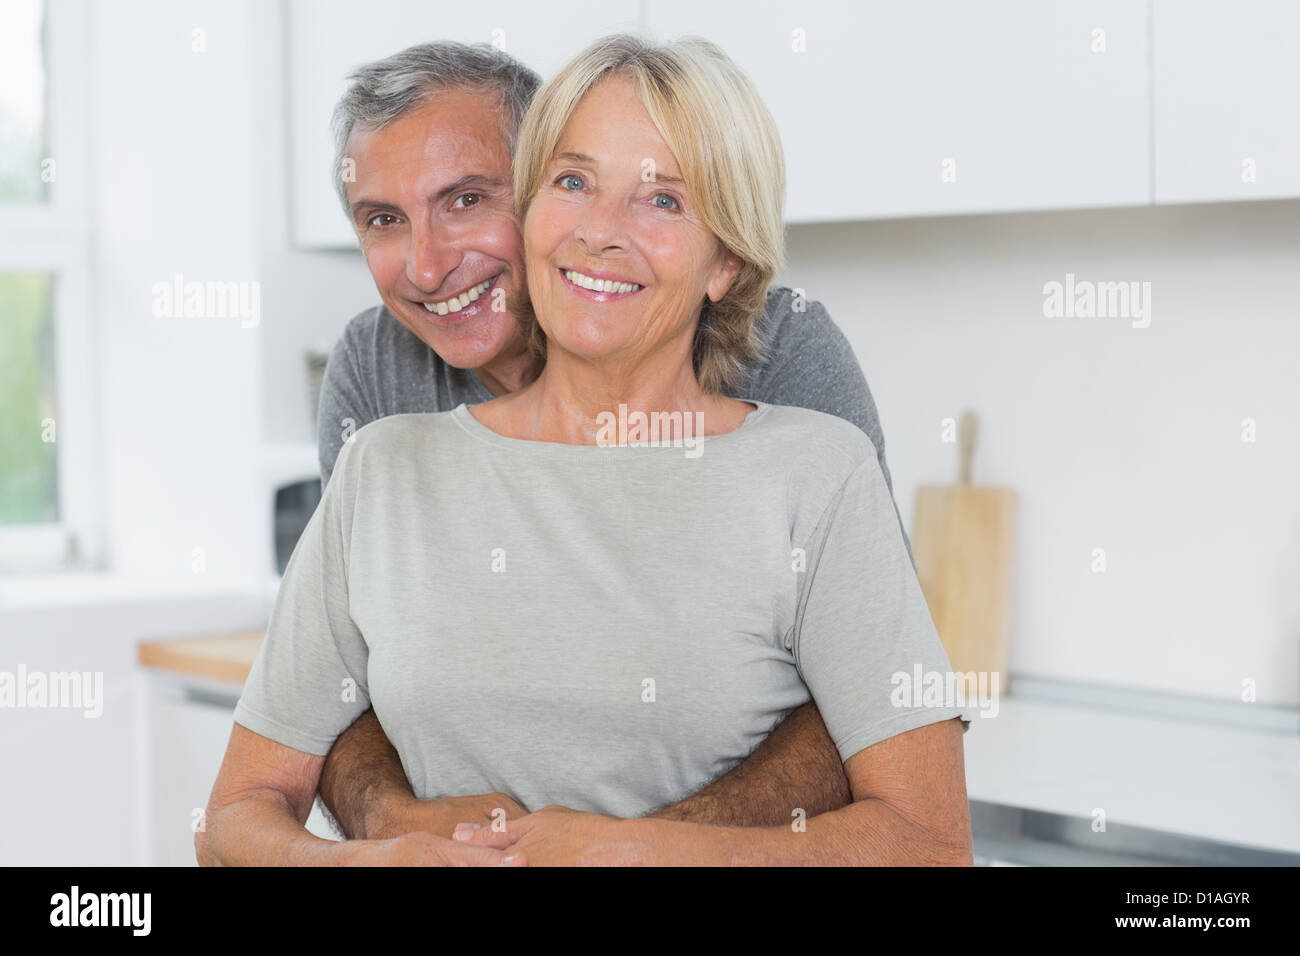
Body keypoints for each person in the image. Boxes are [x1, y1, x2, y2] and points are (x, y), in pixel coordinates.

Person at [197, 34, 971, 866]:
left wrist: (639, 852)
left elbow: (920, 821)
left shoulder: (813, 453)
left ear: (728, 262)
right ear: (535, 211)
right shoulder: (381, 454)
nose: (600, 231)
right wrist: (381, 848)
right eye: (573, 182)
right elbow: (248, 800)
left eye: (665, 199)